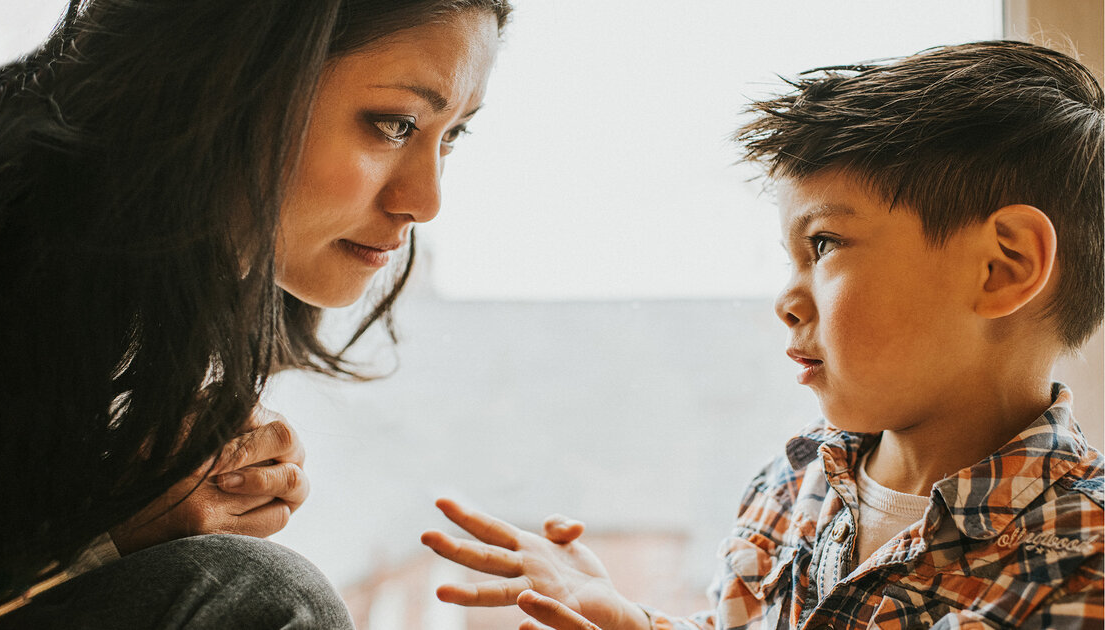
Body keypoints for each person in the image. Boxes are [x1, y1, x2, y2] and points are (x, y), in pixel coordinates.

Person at [421, 40, 1104, 629]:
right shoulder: (793, 483)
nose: (786, 298)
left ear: (1002, 266)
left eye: (826, 244)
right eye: (790, 257)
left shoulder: (1085, 556)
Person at [0, 0, 510, 628]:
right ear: (240, 74)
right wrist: (91, 539)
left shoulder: (186, 301)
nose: (427, 200)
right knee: (268, 595)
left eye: (453, 134)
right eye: (395, 124)